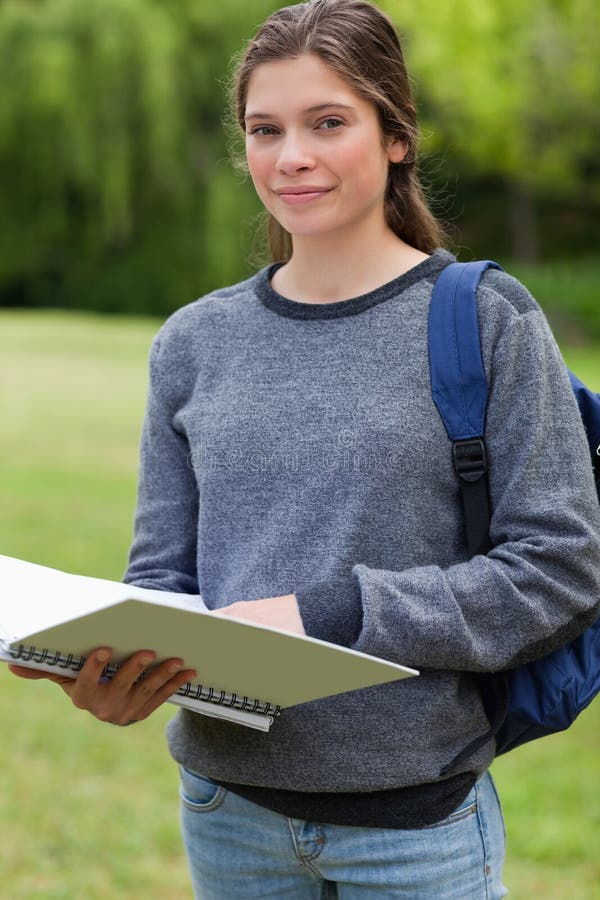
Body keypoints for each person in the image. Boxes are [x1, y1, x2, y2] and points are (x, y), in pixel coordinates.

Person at [10, 1, 600, 897]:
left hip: (416, 826)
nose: (291, 157)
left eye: (328, 122)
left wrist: (328, 612)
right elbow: (164, 578)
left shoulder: (485, 320)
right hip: (224, 813)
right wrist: (114, 664)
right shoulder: (194, 342)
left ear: (396, 137)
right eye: (265, 128)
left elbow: (558, 572)